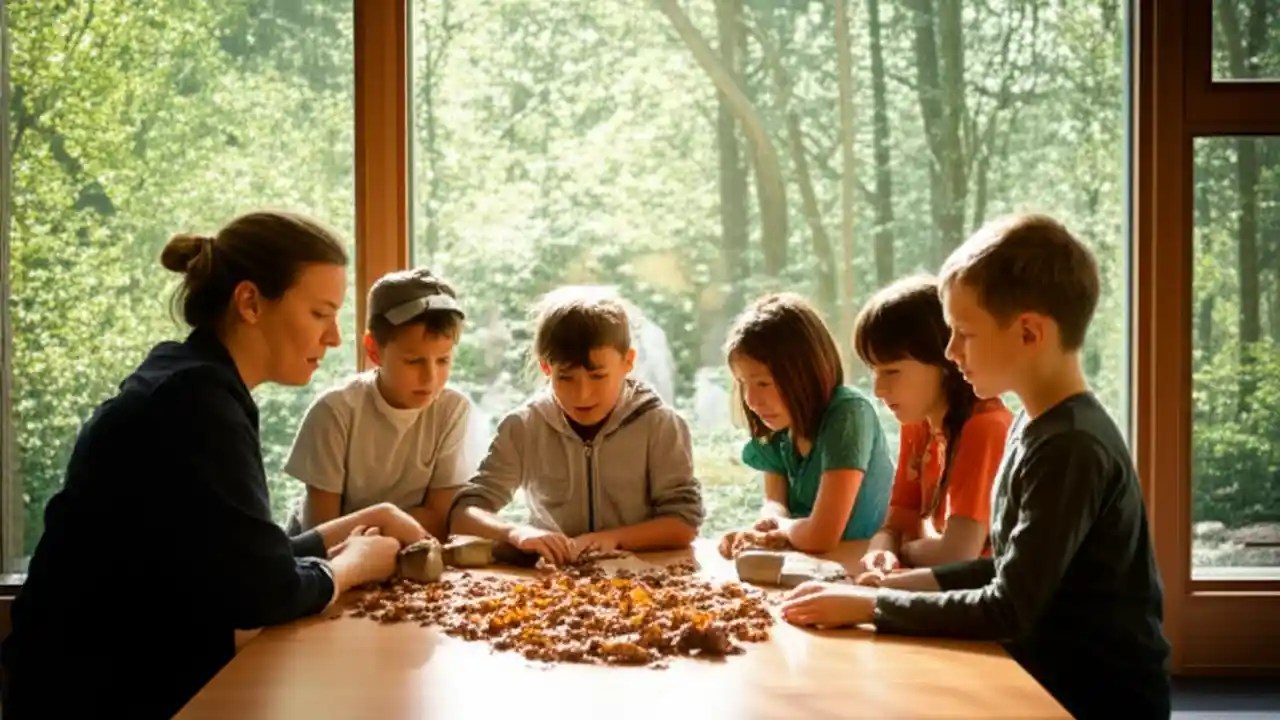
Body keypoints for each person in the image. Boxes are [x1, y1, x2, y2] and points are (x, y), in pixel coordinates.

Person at [1, 210, 425, 718]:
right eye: (320, 313)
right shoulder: (194, 403)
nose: (334, 338)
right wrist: (353, 565)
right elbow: (264, 593)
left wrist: (362, 520)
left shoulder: (189, 379)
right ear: (249, 302)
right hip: (94, 697)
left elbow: (238, 562)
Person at [779, 214, 1172, 719]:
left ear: (1029, 332)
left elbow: (1009, 606)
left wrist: (868, 607)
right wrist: (889, 585)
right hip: (1043, 674)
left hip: (1091, 697)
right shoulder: (1033, 425)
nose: (949, 352)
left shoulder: (1071, 445)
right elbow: (1013, 569)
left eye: (964, 333)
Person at [449, 286, 703, 565]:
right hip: (553, 581)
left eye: (597, 376)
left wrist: (614, 538)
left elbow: (683, 523)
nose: (582, 394)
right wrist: (514, 532)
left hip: (646, 580)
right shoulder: (522, 427)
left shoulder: (661, 426)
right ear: (546, 368)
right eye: (566, 378)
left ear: (627, 361)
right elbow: (465, 514)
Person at [285, 268, 475, 541]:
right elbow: (322, 529)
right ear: (373, 349)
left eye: (443, 360)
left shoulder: (453, 410)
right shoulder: (335, 411)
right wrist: (389, 526)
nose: (430, 378)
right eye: (413, 361)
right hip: (325, 555)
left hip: (406, 548)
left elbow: (440, 518)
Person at [850, 275, 1011, 582]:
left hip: (980, 608)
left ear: (945, 362)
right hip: (932, 589)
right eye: (874, 371)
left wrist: (904, 551)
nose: (878, 389)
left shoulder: (984, 428)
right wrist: (882, 552)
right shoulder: (919, 424)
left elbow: (958, 554)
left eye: (892, 371)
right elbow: (895, 524)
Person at [718, 293, 894, 556]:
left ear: (804, 373)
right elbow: (775, 502)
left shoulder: (848, 415)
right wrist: (765, 525)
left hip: (861, 570)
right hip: (811, 568)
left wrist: (782, 528)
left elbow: (821, 536)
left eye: (763, 383)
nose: (752, 401)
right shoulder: (779, 429)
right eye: (744, 384)